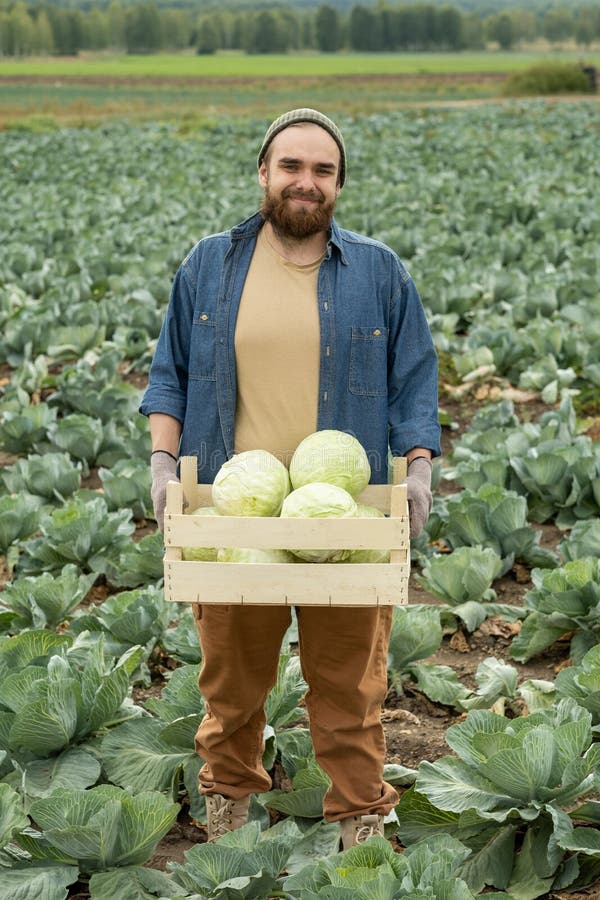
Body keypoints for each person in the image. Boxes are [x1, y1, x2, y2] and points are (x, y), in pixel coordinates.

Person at [140, 108, 441, 849]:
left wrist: (421, 472)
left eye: (323, 170)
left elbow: (414, 385)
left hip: (344, 516)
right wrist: (159, 460)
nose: (306, 183)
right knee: (232, 689)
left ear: (338, 183)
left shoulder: (377, 271)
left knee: (352, 688)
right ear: (264, 173)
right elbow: (169, 376)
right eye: (292, 167)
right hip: (238, 517)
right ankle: (229, 810)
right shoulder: (210, 264)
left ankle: (358, 821)